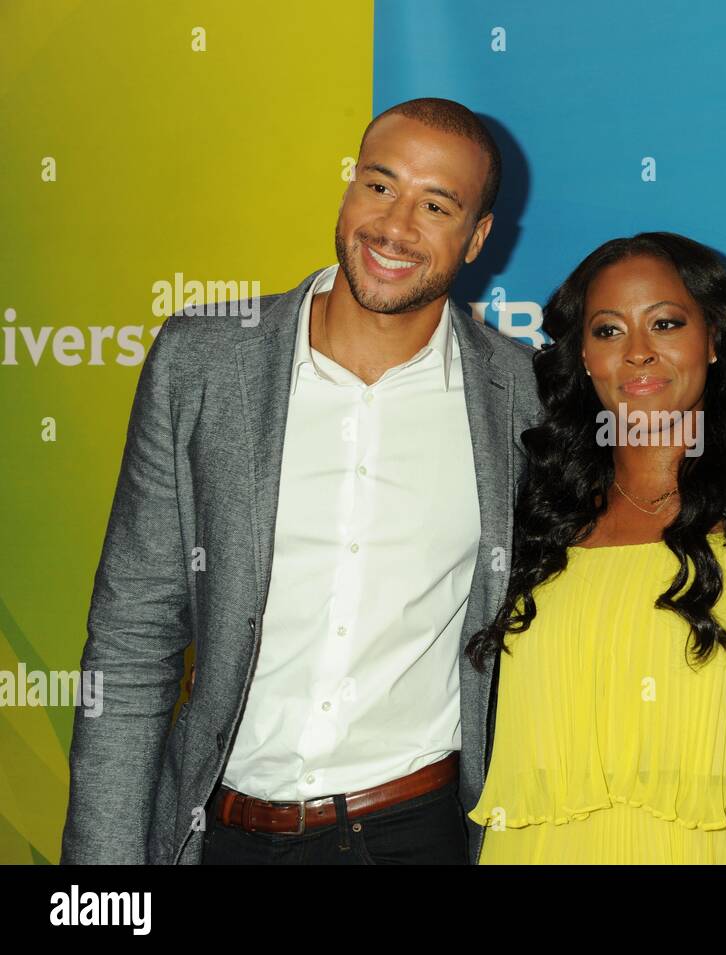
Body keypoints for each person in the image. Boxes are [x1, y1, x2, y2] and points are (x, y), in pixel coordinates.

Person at [61, 98, 541, 864]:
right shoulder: (204, 362)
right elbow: (132, 638)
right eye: (380, 186)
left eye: (436, 205)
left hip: (413, 832)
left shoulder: (523, 399)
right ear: (350, 186)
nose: (394, 226)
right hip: (219, 834)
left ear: (477, 236)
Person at [464, 232, 726, 863]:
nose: (638, 353)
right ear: (580, 355)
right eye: (608, 331)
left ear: (714, 339)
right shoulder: (528, 511)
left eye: (665, 323)